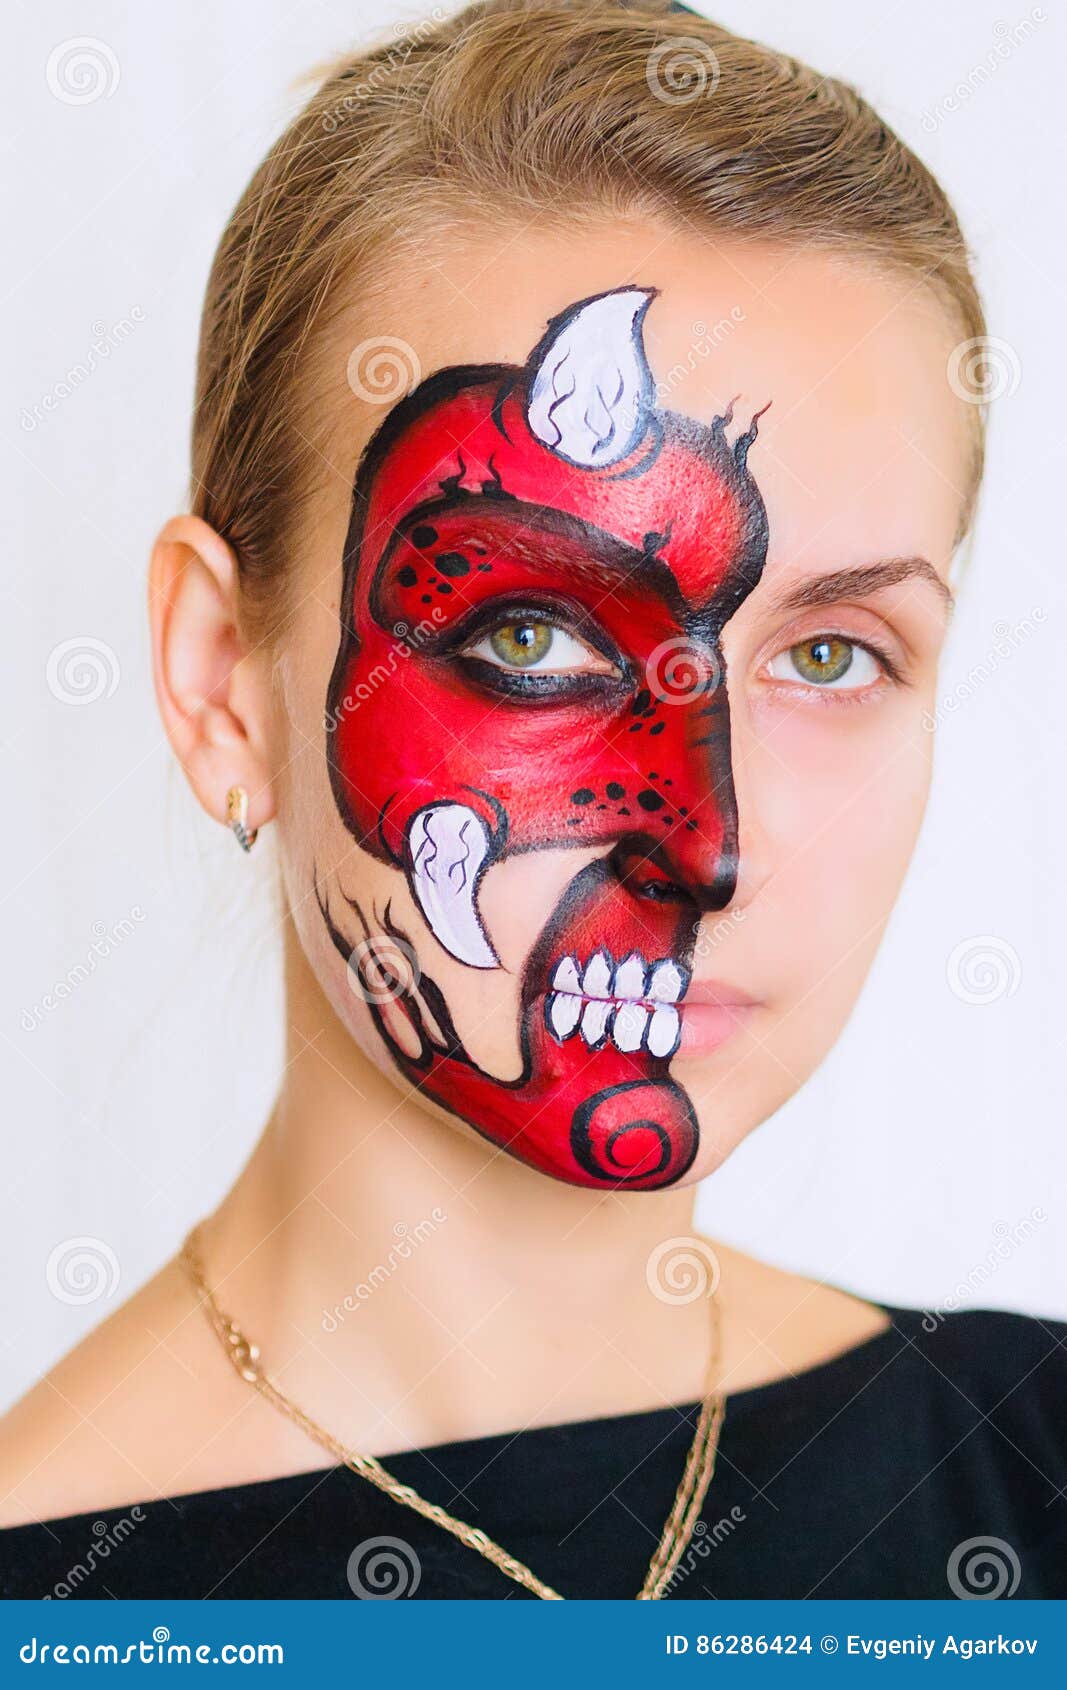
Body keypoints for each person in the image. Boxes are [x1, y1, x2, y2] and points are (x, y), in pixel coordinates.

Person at [1, 0, 1063, 1601]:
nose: (715, 847)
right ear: (222, 680)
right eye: (532, 639)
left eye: (832, 655)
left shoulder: (1030, 1473)